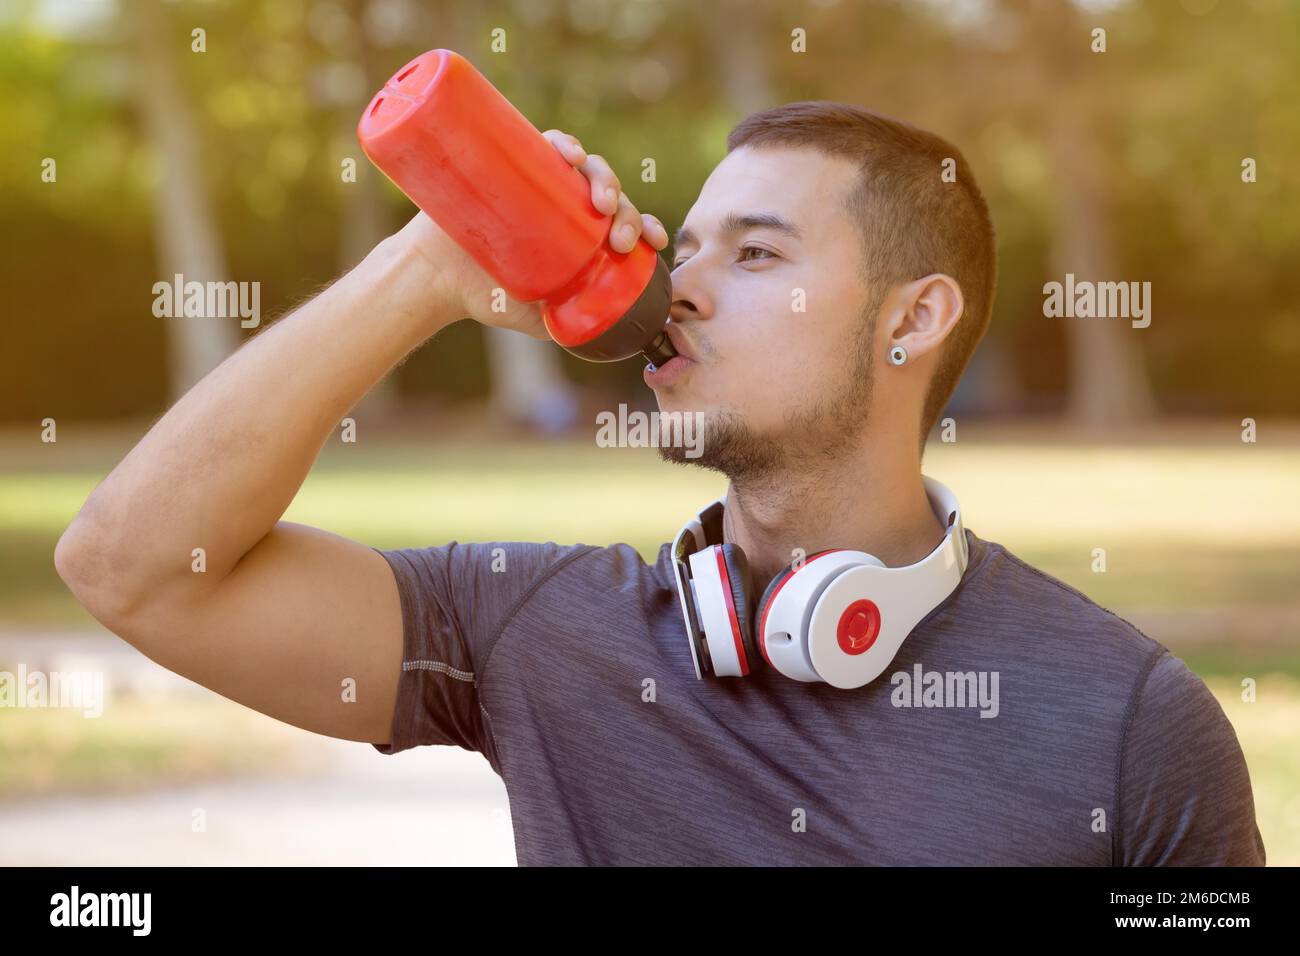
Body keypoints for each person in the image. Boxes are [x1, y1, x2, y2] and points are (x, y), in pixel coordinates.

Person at [55, 101, 1265, 866]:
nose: (679, 288)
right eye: (682, 250)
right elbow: (136, 566)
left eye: (755, 254)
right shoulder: (537, 632)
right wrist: (425, 267)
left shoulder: (1128, 721)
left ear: (913, 318)